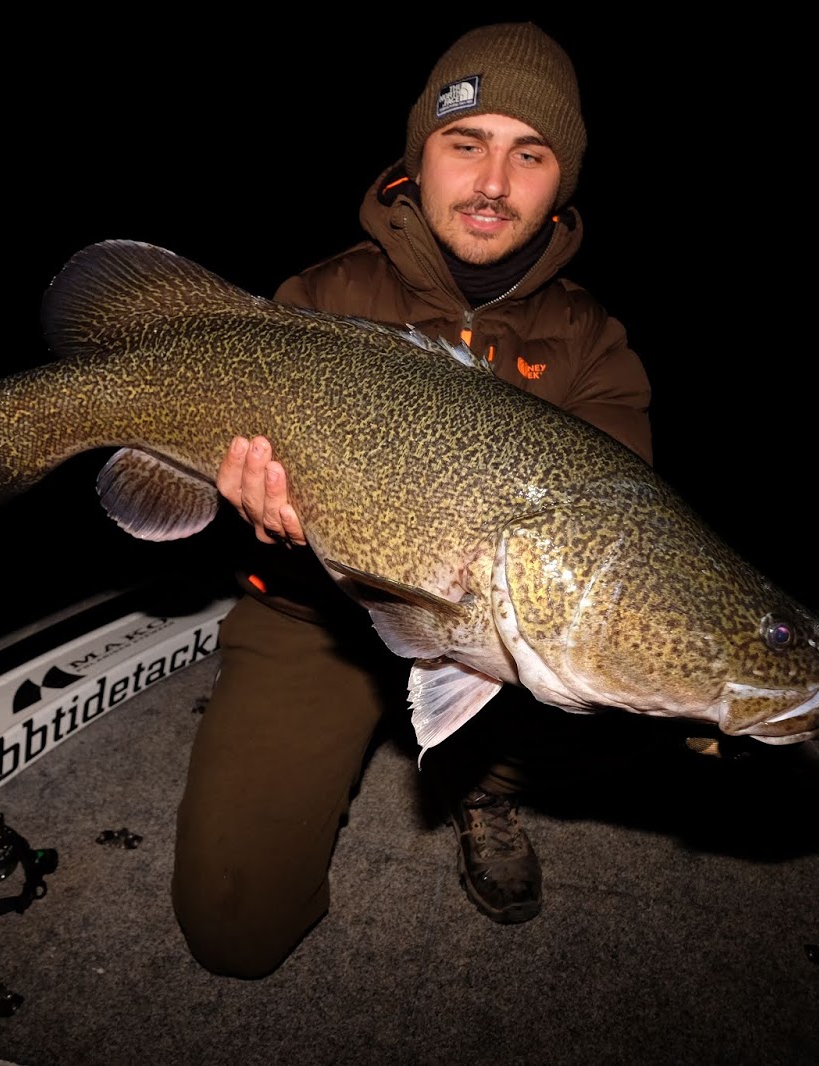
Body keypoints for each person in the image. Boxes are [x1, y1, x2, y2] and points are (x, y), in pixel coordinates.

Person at [171, 21, 654, 979]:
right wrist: (245, 503)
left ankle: (490, 785)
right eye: (465, 143)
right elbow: (225, 445)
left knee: (634, 693)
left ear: (564, 181)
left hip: (506, 630)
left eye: (531, 154)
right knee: (234, 929)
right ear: (417, 157)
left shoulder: (593, 343)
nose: (493, 182)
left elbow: (624, 547)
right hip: (316, 613)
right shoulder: (321, 296)